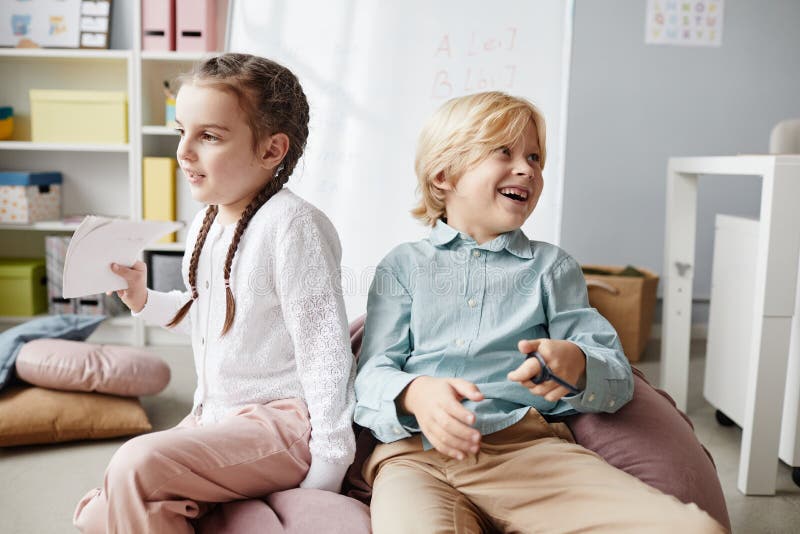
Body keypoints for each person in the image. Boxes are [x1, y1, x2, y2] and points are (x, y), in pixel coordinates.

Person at [354, 91, 725, 533]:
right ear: (443, 176)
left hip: (528, 453)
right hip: (415, 460)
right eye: (503, 152)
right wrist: (415, 392)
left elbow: (616, 374)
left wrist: (577, 363)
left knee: (694, 529)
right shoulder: (402, 266)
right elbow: (370, 372)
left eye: (534, 157)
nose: (526, 168)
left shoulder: (553, 267)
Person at [73, 53, 356, 534]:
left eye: (208, 136)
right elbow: (209, 315)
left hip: (280, 423)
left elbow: (324, 349)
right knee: (97, 514)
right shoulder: (212, 218)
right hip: (216, 415)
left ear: (271, 151)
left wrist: (329, 465)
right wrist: (144, 298)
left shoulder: (293, 226)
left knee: (136, 464)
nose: (183, 151)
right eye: (181, 130)